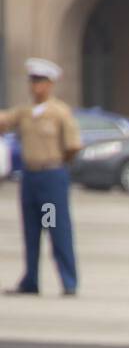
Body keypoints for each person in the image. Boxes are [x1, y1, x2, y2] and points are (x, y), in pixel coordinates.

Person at [1, 58, 81, 296]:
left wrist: (57, 164)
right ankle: (31, 280)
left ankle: (68, 281)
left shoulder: (59, 113)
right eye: (32, 81)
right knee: (31, 230)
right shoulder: (25, 112)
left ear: (50, 84)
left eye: (39, 81)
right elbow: (5, 121)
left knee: (56, 228)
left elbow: (73, 146)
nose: (35, 86)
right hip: (30, 177)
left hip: (52, 176)